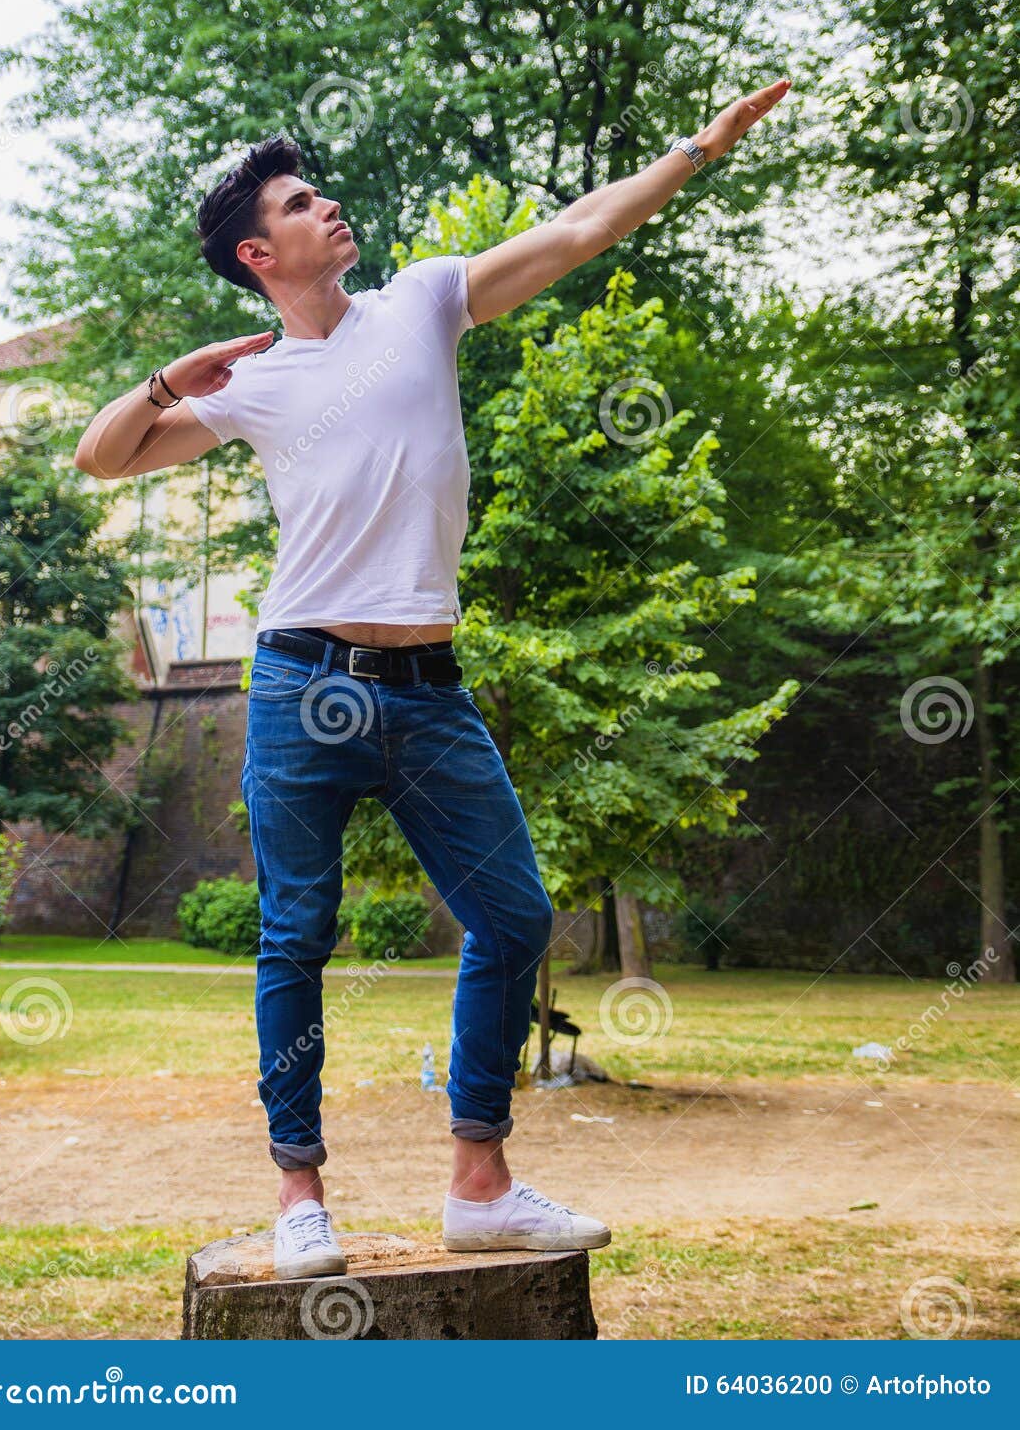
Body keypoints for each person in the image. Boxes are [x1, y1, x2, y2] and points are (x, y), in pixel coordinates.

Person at [74, 77, 790, 1278]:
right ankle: (300, 1198)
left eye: (323, 190)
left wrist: (695, 147)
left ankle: (479, 1182)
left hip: (427, 686)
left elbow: (576, 231)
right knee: (295, 936)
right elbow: (102, 462)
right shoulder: (242, 387)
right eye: (303, 202)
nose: (330, 204)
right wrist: (167, 382)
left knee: (510, 914)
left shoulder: (421, 302)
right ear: (259, 252)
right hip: (301, 685)